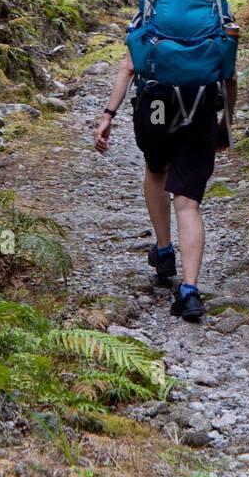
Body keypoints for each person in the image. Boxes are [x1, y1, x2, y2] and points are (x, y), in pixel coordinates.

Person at [93, 48, 236, 321]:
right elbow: (229, 76)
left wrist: (107, 115)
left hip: (155, 109)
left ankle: (164, 250)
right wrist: (226, 123)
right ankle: (190, 291)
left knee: (156, 170)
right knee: (187, 204)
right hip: (200, 108)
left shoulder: (150, 5)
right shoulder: (216, 8)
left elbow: (128, 66)